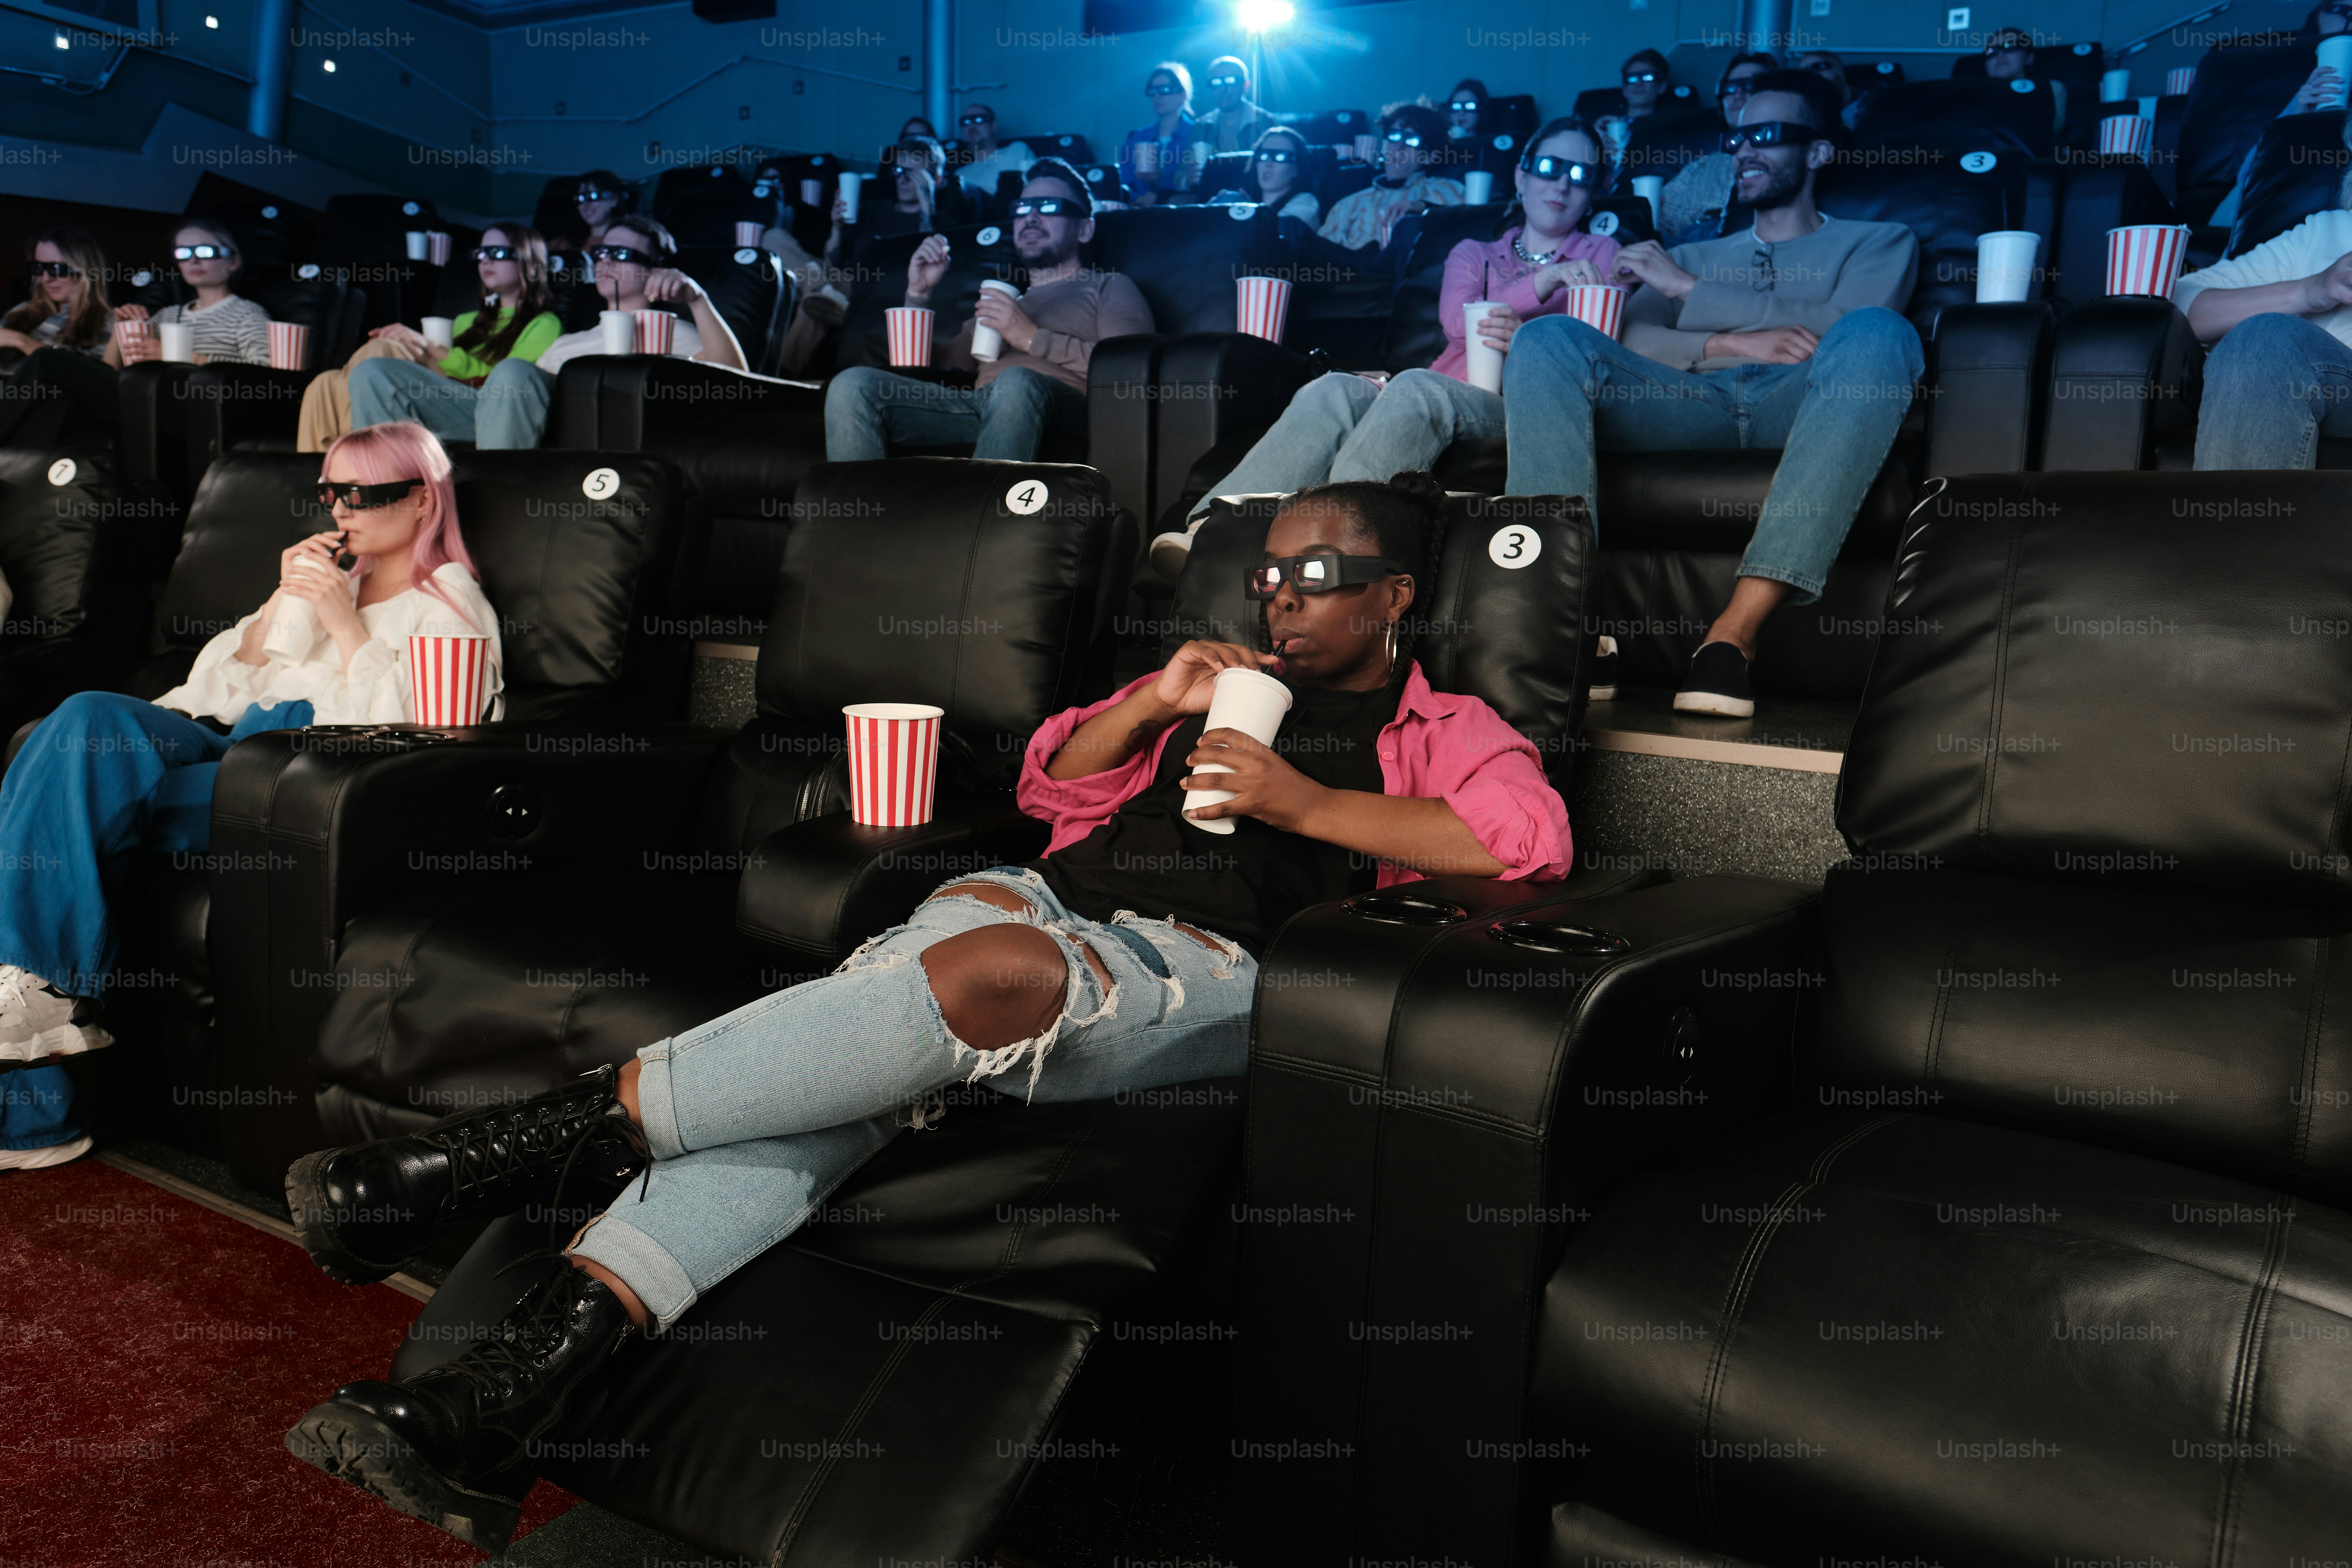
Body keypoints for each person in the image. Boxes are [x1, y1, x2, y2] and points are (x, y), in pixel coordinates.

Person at [281, 470, 1570, 1551]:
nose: (1284, 596)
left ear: (1397, 595)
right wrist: (1157, 700)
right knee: (877, 1046)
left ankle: (474, 1156)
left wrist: (1299, 803)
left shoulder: (1441, 726)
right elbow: (1050, 779)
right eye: (1273, 574)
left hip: (1211, 963)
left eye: (1323, 575)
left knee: (971, 984)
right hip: (1037, 893)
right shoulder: (1212, 688)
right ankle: (489, 1412)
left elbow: (1524, 844)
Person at [0, 421, 500, 1172]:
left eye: (361, 493)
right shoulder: (337, 573)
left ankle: (33, 1104)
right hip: (220, 734)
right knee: (81, 720)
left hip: (291, 767)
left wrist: (341, 621)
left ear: (423, 500)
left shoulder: (451, 604)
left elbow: (422, 747)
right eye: (331, 491)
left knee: (48, 797)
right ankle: (37, 1003)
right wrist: (275, 612)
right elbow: (213, 690)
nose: (341, 510)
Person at [1503, 68, 1922, 719]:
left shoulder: (1880, 241)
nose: (1744, 151)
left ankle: (1734, 635)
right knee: (1548, 340)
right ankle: (1570, 629)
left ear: (1817, 152)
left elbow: (1848, 328)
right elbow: (1633, 345)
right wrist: (1726, 345)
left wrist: (1689, 297)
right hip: (1688, 406)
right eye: (1737, 138)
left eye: (1766, 135)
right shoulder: (1693, 255)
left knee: (1880, 333)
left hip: (1800, 404)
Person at [1155, 118, 1620, 578]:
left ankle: (1334, 547)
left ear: (1594, 190)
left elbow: (1585, 354)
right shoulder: (1473, 252)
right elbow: (1457, 323)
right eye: (1549, 166)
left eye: (1581, 174)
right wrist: (1541, 284)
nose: (1562, 183)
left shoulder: (1602, 253)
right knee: (1335, 388)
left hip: (1521, 408)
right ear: (1522, 176)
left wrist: (1522, 328)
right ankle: (1211, 534)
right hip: (1444, 386)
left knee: (1417, 386)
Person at [825, 159, 1152, 462]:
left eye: (1049, 207)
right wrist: (918, 295)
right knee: (853, 386)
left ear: (1085, 230)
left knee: (1015, 382)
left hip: (1068, 409)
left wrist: (1030, 338)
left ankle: (982, 523)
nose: (1031, 217)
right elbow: (918, 372)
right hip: (982, 409)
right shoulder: (1004, 305)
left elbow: (1131, 373)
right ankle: (860, 523)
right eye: (1022, 207)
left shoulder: (1109, 286)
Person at [350, 217, 745, 449]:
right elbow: (497, 398)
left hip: (569, 429)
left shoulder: (669, 330)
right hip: (501, 416)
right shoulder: (569, 341)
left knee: (514, 372)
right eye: (601, 253)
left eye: (621, 254)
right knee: (376, 374)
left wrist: (697, 300)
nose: (606, 261)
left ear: (655, 266)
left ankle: (496, 500)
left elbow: (737, 377)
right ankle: (384, 504)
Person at [2179, 116, 2352, 468]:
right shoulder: (2327, 232)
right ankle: (2237, 520)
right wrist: (2311, 290)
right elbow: (2179, 307)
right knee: (2259, 337)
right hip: (2312, 390)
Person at [297, 223, 563, 451]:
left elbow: (506, 385)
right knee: (326, 383)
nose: (486, 260)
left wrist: (430, 347)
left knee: (383, 349)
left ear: (529, 261)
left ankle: (355, 453)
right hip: (440, 392)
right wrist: (419, 346)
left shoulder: (545, 323)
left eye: (499, 253)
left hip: (481, 403)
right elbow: (437, 371)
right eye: (481, 253)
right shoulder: (465, 321)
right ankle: (321, 483)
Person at [2205, 6, 2350, 229]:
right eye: (2342, 9)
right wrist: (2300, 116)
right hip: (2276, 216)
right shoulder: (2307, 94)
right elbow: (2250, 174)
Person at [0, 227, 119, 451]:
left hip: (46, 406)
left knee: (56, 401)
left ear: (86, 271)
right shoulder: (19, 313)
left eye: (57, 269)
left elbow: (91, 381)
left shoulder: (109, 322)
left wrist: (22, 342)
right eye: (39, 268)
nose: (46, 278)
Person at [111, 219, 271, 367]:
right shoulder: (166, 316)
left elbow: (264, 371)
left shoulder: (246, 314)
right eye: (183, 253)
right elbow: (109, 372)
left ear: (233, 262)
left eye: (205, 251)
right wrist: (121, 330)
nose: (193, 260)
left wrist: (178, 355)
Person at [1657, 52, 1777, 242]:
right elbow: (1661, 225)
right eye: (1730, 88)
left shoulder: (1788, 159)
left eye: (1750, 85)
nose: (1738, 95)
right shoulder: (1701, 168)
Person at [1318, 102, 1467, 252]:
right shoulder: (1349, 204)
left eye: (1412, 140)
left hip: (1404, 269)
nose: (1399, 147)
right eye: (1394, 136)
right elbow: (1318, 254)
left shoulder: (1445, 190)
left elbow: (1466, 225)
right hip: (1350, 270)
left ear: (1430, 156)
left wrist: (1424, 209)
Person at [824, 137, 970, 273]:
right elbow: (831, 267)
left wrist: (927, 206)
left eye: (913, 174)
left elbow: (929, 271)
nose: (903, 180)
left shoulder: (945, 223)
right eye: (899, 171)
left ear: (936, 181)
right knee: (805, 263)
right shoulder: (872, 210)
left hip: (894, 292)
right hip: (849, 285)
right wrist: (837, 228)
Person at [1120, 61, 1204, 207]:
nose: (1157, 97)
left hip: (1182, 214)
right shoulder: (1138, 138)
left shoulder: (1196, 134)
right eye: (1153, 92)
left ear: (1182, 94)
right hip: (1139, 213)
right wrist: (1136, 198)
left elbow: (1195, 181)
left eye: (1165, 90)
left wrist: (1159, 187)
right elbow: (1123, 179)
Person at [1206, 125, 1322, 223]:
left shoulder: (1307, 203)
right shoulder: (1251, 204)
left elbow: (1281, 235)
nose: (1268, 163)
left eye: (1280, 157)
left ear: (1297, 168)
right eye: (1263, 156)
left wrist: (1249, 213)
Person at [1979, 27, 2066, 137]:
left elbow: (2053, 127)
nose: (2000, 55)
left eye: (2010, 46)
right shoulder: (1970, 94)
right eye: (1991, 51)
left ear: (2029, 57)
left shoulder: (2051, 88)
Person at [951, 104, 1034, 196]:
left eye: (979, 120)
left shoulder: (1016, 151)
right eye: (966, 122)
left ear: (994, 126)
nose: (972, 126)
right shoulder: (961, 175)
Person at [1197, 55, 1274, 154]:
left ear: (1245, 85)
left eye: (1231, 81)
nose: (1223, 89)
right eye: (1216, 82)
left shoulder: (1265, 123)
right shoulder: (1203, 126)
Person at [555, 171, 635, 253]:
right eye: (580, 199)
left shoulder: (627, 242)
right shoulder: (564, 243)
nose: (585, 205)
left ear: (614, 200)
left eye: (593, 197)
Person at [1795, 49, 1862, 129]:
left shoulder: (1869, 104)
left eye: (1817, 67)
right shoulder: (1808, 115)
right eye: (1804, 74)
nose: (1812, 76)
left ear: (1838, 68)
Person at [1619, 49, 1673, 121]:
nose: (1638, 84)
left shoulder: (1671, 127)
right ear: (1625, 90)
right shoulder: (1609, 127)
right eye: (1632, 78)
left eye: (1647, 77)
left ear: (1662, 87)